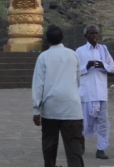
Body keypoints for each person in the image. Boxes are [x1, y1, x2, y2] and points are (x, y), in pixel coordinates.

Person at [32, 25, 85, 167]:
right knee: (74, 147)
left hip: (51, 107)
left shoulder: (43, 57)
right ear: (63, 37)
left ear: (47, 40)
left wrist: (36, 109)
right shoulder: (73, 54)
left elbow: (38, 85)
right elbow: (78, 79)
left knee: (49, 145)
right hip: (72, 107)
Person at [76, 24, 114, 160]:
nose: (94, 36)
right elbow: (74, 71)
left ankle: (101, 149)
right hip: (86, 93)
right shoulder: (80, 51)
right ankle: (80, 145)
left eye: (96, 33)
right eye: (91, 33)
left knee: (103, 122)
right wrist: (86, 67)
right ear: (86, 35)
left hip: (101, 93)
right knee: (83, 122)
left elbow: (113, 67)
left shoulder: (103, 50)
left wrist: (103, 65)